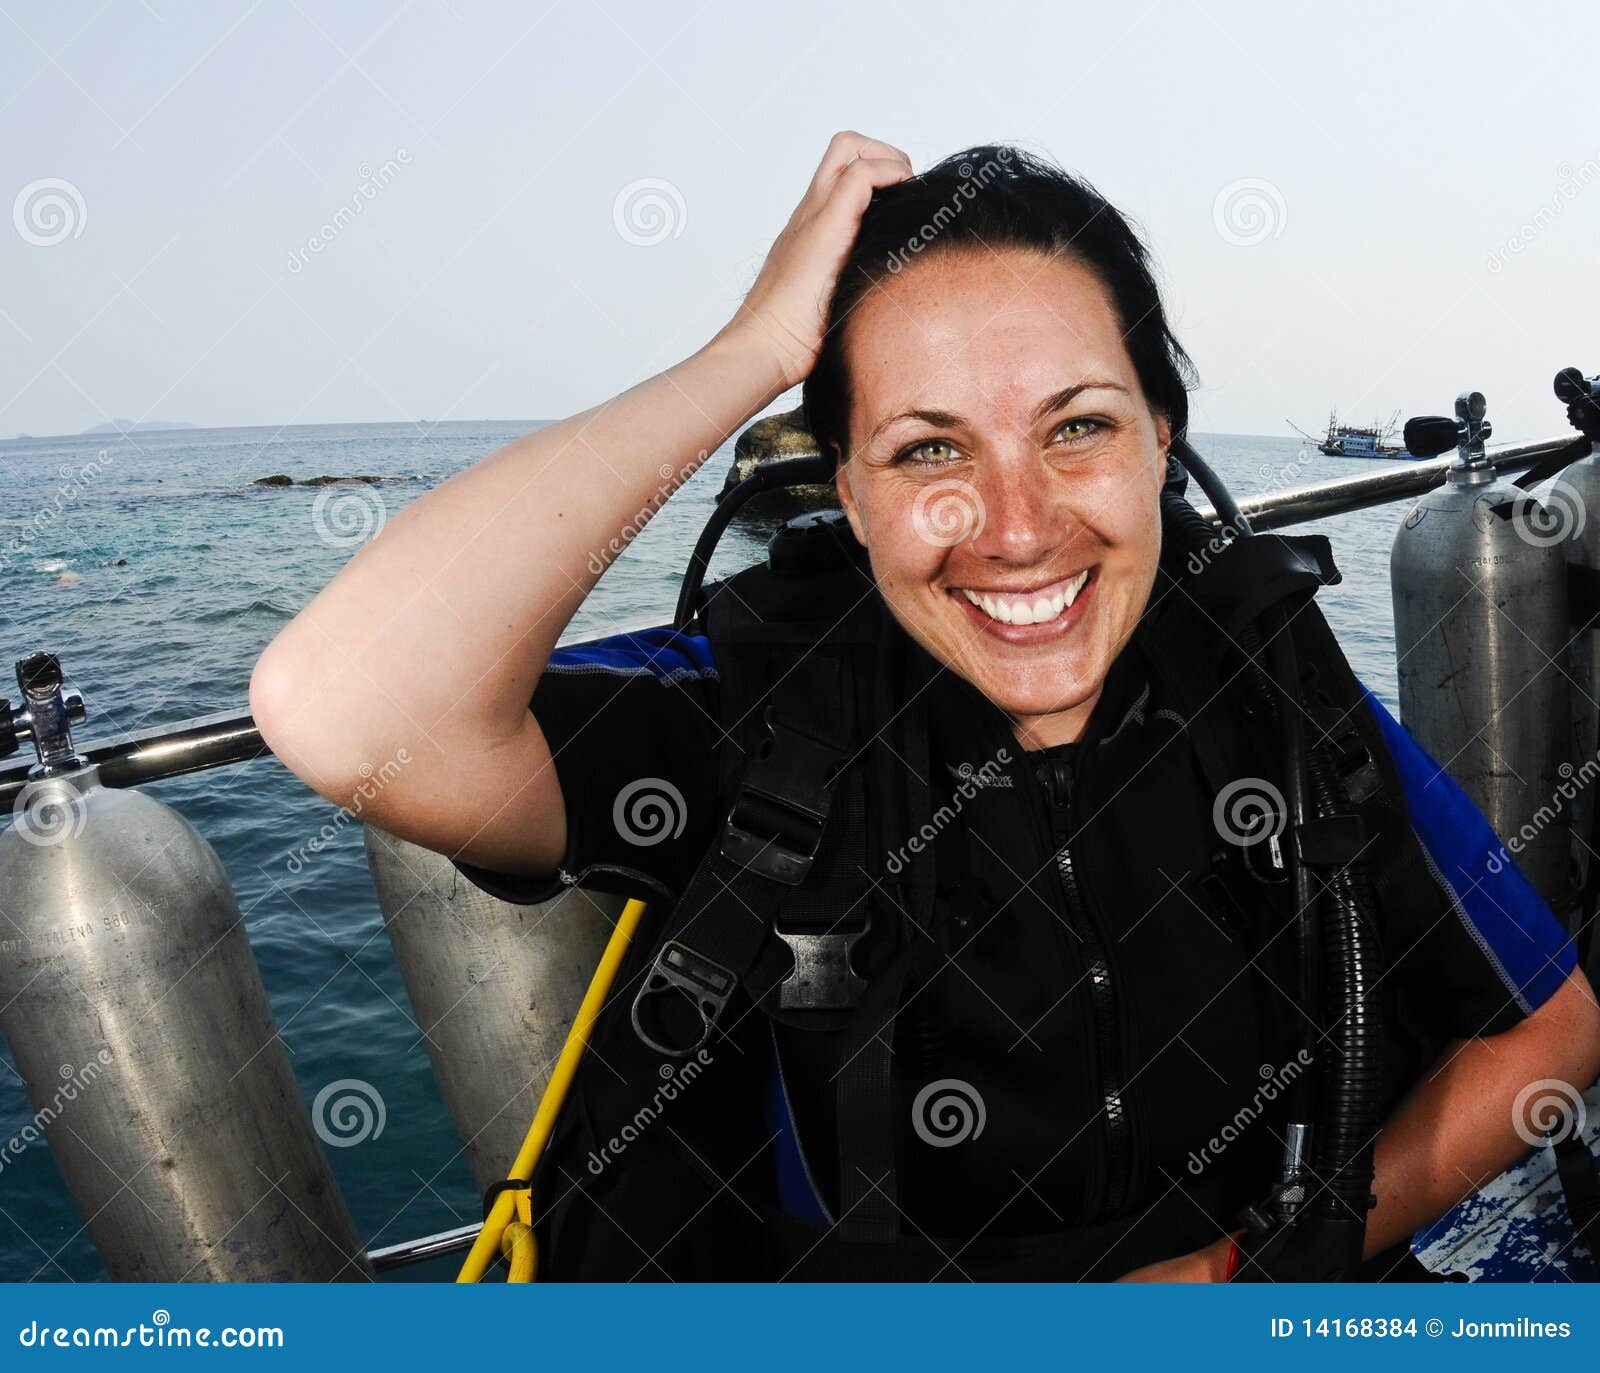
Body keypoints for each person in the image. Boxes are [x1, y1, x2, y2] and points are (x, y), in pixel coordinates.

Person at [251, 132, 1600, 1282]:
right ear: (847, 491)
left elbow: (1553, 1024)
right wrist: (752, 350)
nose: (1015, 529)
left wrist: (1231, 1279)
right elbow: (345, 707)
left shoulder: (1272, 682)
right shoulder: (765, 713)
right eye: (926, 448)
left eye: (1076, 426)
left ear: (1160, 442)